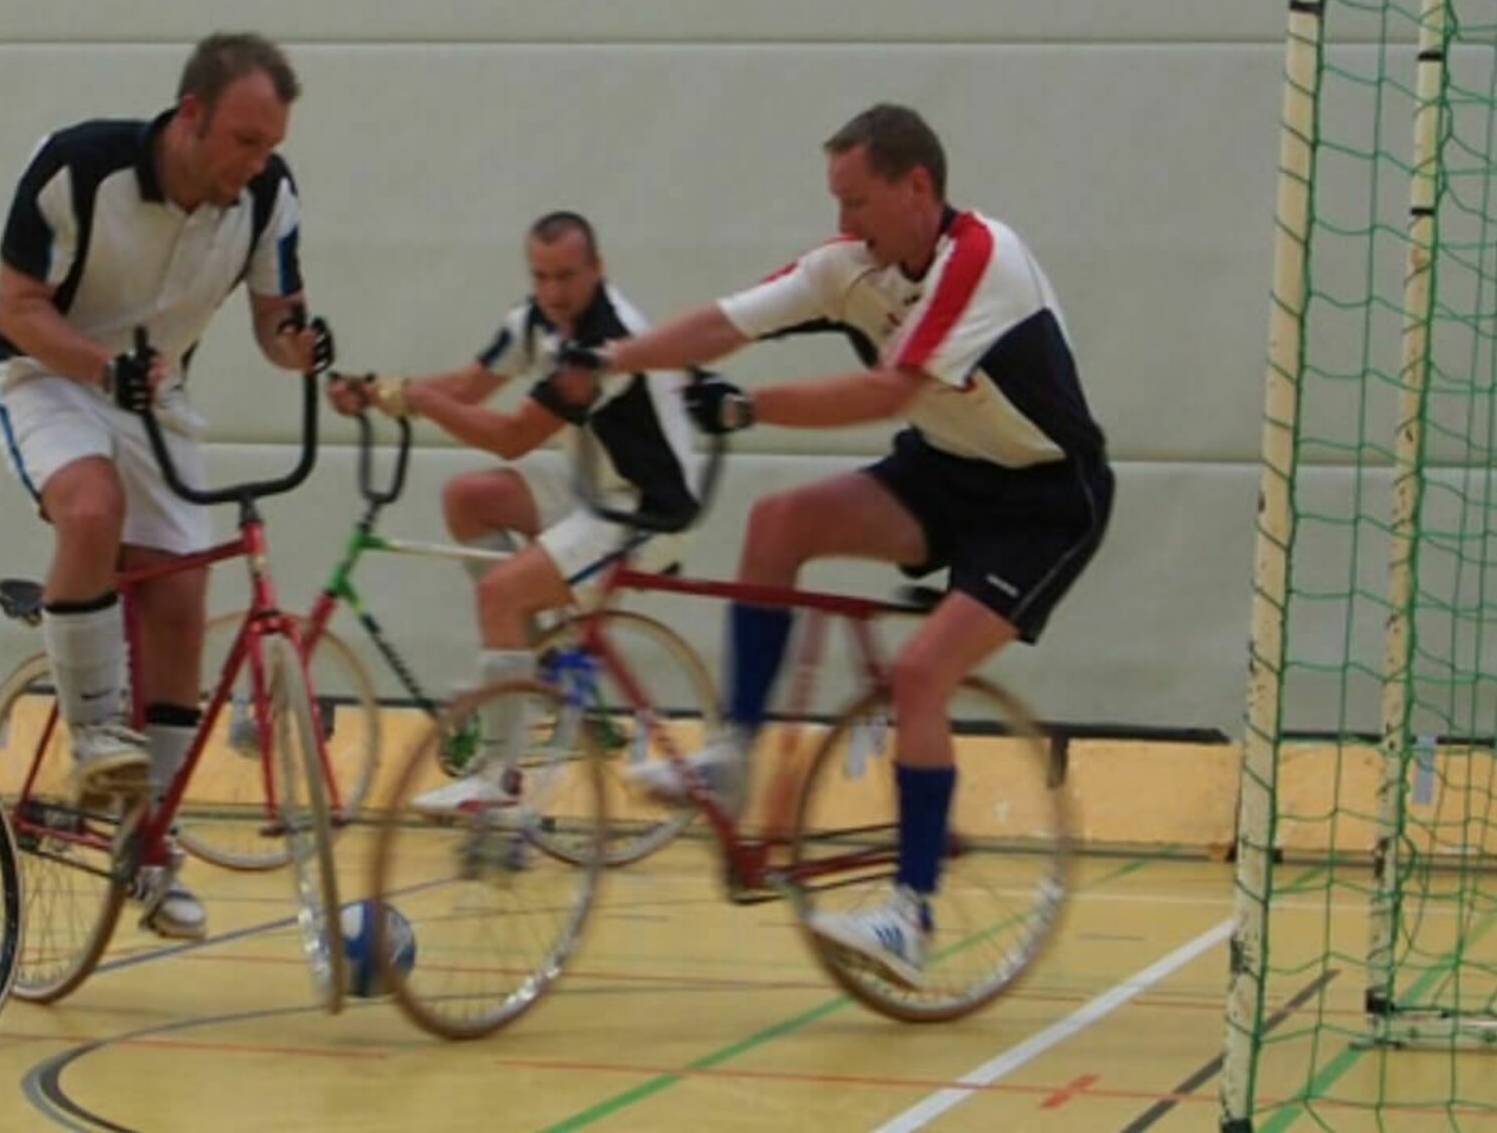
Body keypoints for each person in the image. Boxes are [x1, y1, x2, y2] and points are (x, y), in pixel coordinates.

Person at [564, 103, 1112, 986]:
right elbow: (723, 324)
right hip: (944, 469)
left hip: (1044, 502)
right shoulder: (849, 267)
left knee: (922, 674)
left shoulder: (983, 259)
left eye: (855, 202)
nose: (842, 225)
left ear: (917, 187)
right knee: (777, 524)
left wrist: (749, 407)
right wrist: (611, 361)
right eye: (836, 204)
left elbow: (888, 393)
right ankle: (737, 753)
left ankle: (911, 917)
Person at [0, 33, 327, 940]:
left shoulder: (268, 198)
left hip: (156, 393)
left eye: (270, 144)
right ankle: (95, 737)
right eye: (244, 141)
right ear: (191, 116)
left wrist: (300, 346)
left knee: (181, 589)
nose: (257, 163)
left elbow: (274, 320)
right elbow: (16, 308)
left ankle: (152, 839)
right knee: (93, 508)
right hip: (43, 374)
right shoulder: (79, 167)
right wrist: (100, 369)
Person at [326, 212, 699, 816]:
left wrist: (420, 401)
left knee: (499, 593)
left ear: (598, 270)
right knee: (467, 497)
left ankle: (499, 777)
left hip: (642, 509)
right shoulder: (533, 321)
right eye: (541, 276)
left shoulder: (604, 346)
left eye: (567, 278)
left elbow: (512, 438)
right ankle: (537, 658)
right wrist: (378, 392)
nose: (553, 293)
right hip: (590, 482)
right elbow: (469, 387)